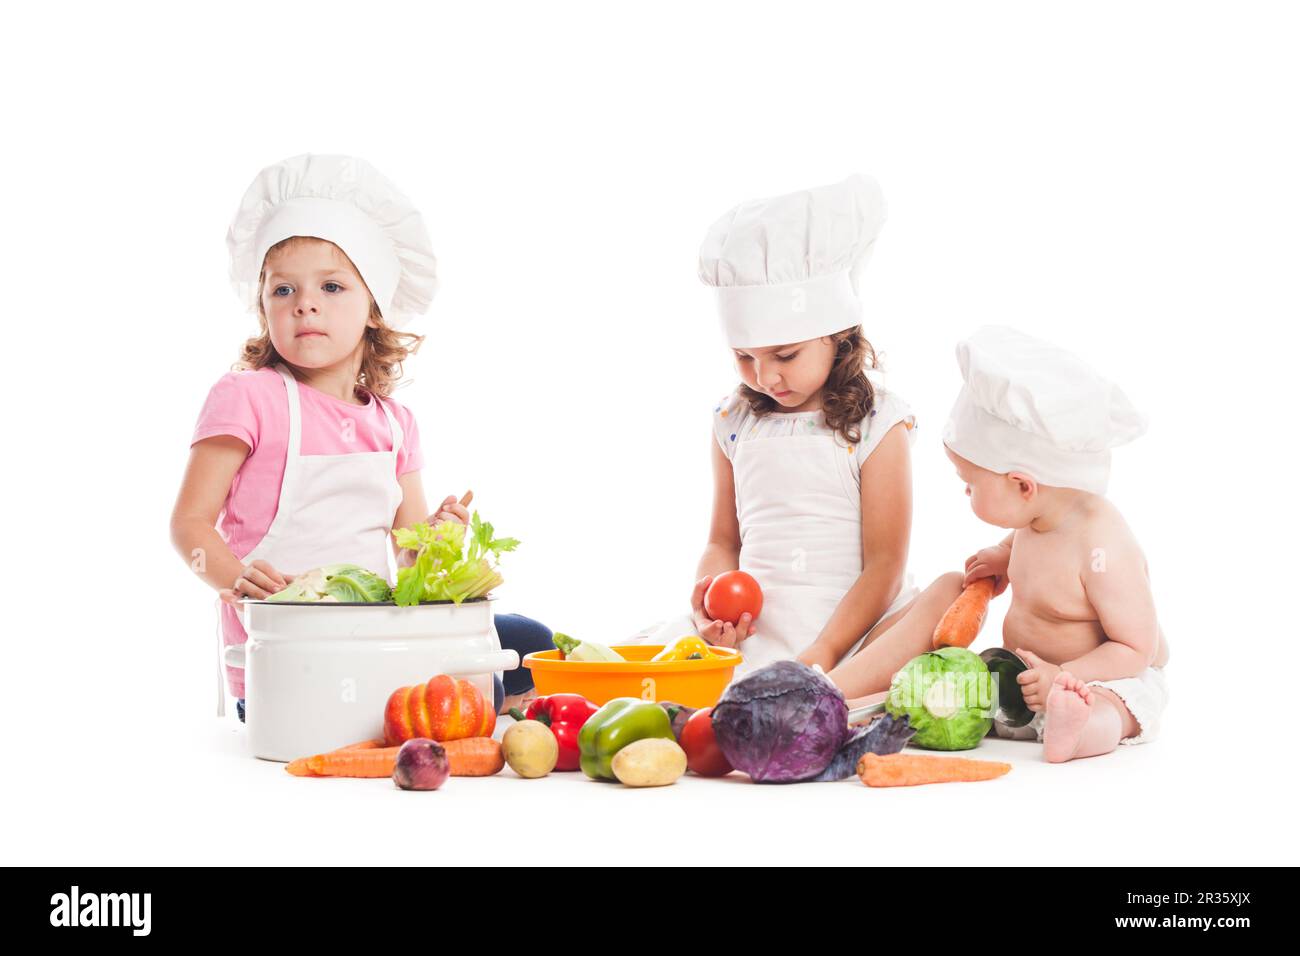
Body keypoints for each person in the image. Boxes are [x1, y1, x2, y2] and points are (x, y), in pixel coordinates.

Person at [169, 154, 551, 723]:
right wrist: (235, 579)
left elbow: (409, 550)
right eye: (282, 291)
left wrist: (438, 539)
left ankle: (483, 704)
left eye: (331, 285)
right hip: (286, 649)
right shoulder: (247, 396)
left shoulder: (396, 422)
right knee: (468, 689)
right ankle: (479, 708)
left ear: (375, 307)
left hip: (371, 631)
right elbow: (189, 525)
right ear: (263, 305)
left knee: (531, 639)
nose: (305, 303)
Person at [642, 174, 962, 678]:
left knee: (945, 595)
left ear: (838, 336)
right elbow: (723, 541)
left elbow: (884, 565)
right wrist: (711, 597)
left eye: (785, 355)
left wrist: (827, 648)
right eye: (744, 356)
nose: (765, 376)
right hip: (757, 626)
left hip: (851, 630)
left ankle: (833, 683)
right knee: (658, 672)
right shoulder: (733, 422)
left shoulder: (880, 424)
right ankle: (805, 690)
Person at [940, 325, 1169, 762]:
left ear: (1024, 486)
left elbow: (1136, 649)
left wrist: (1066, 677)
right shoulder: (1038, 516)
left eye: (969, 485)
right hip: (1027, 682)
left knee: (1113, 710)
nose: (965, 494)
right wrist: (1003, 558)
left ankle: (1079, 730)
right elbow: (1026, 544)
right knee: (966, 694)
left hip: (1101, 677)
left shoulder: (1102, 543)